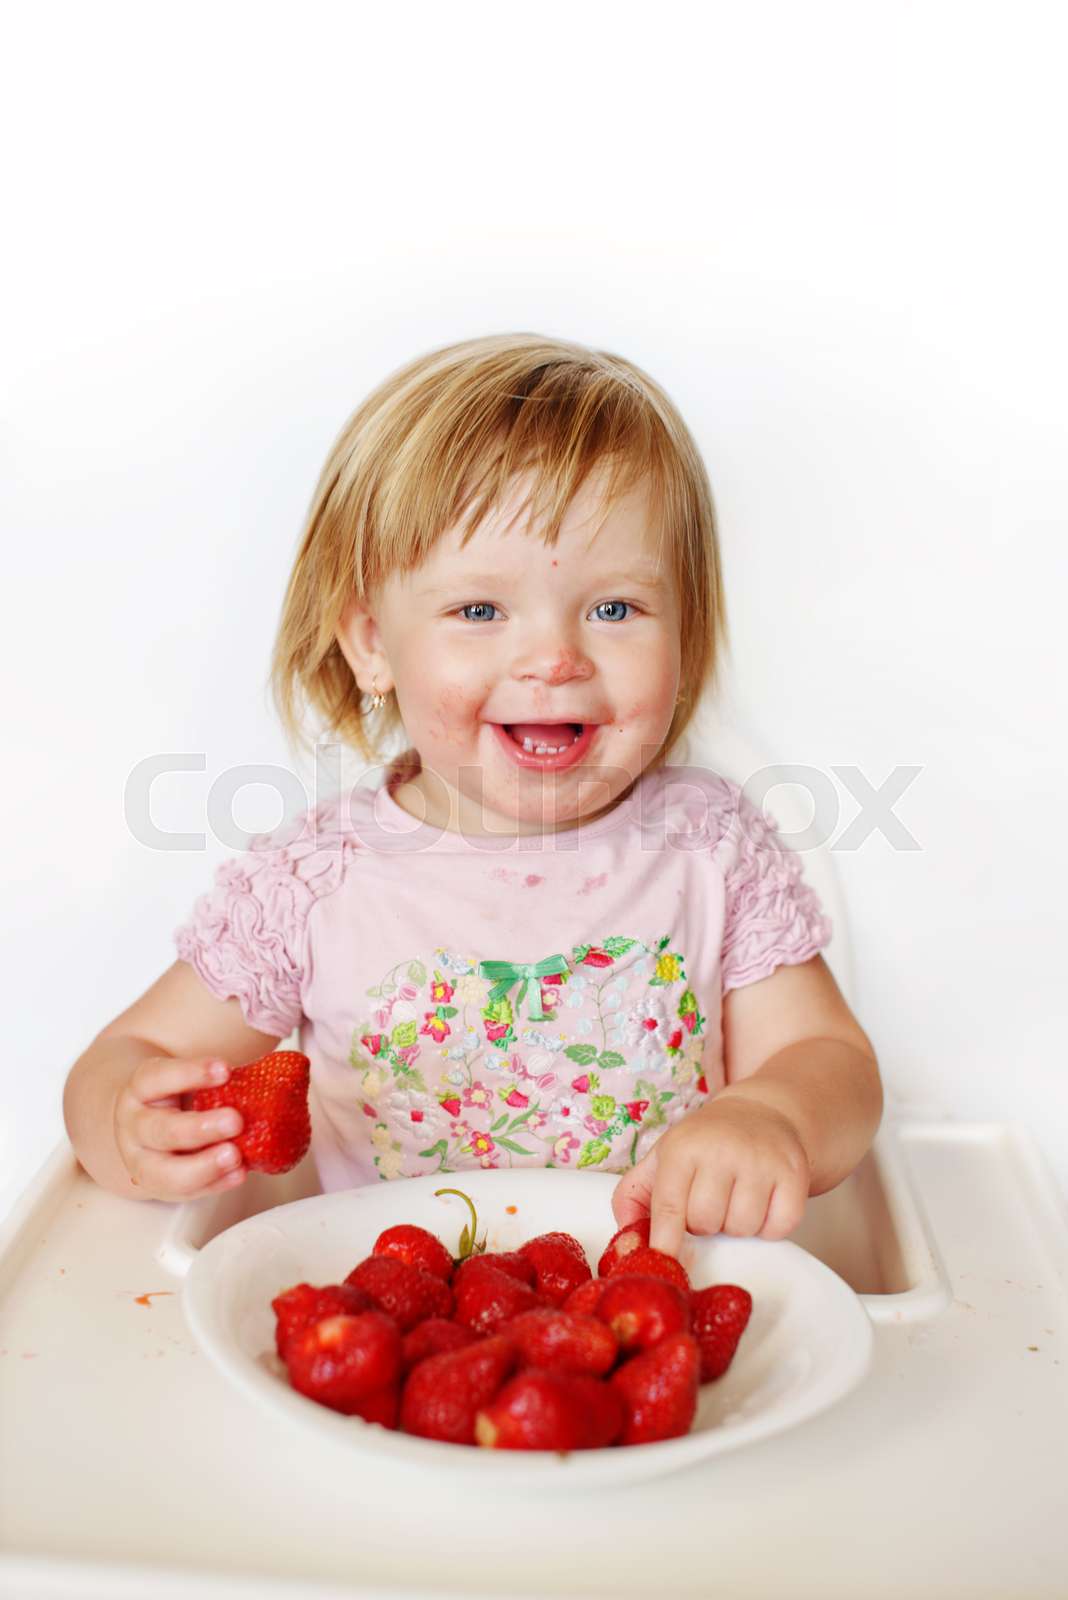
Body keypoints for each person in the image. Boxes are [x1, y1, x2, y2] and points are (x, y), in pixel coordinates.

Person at [62, 331, 882, 1257]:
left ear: (683, 634)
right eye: (480, 611)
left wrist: (775, 1113)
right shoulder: (312, 885)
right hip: (402, 1337)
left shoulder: (715, 849)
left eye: (615, 609)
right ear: (372, 643)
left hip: (650, 1308)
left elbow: (835, 1067)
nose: (555, 658)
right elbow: (126, 1065)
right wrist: (132, 1125)